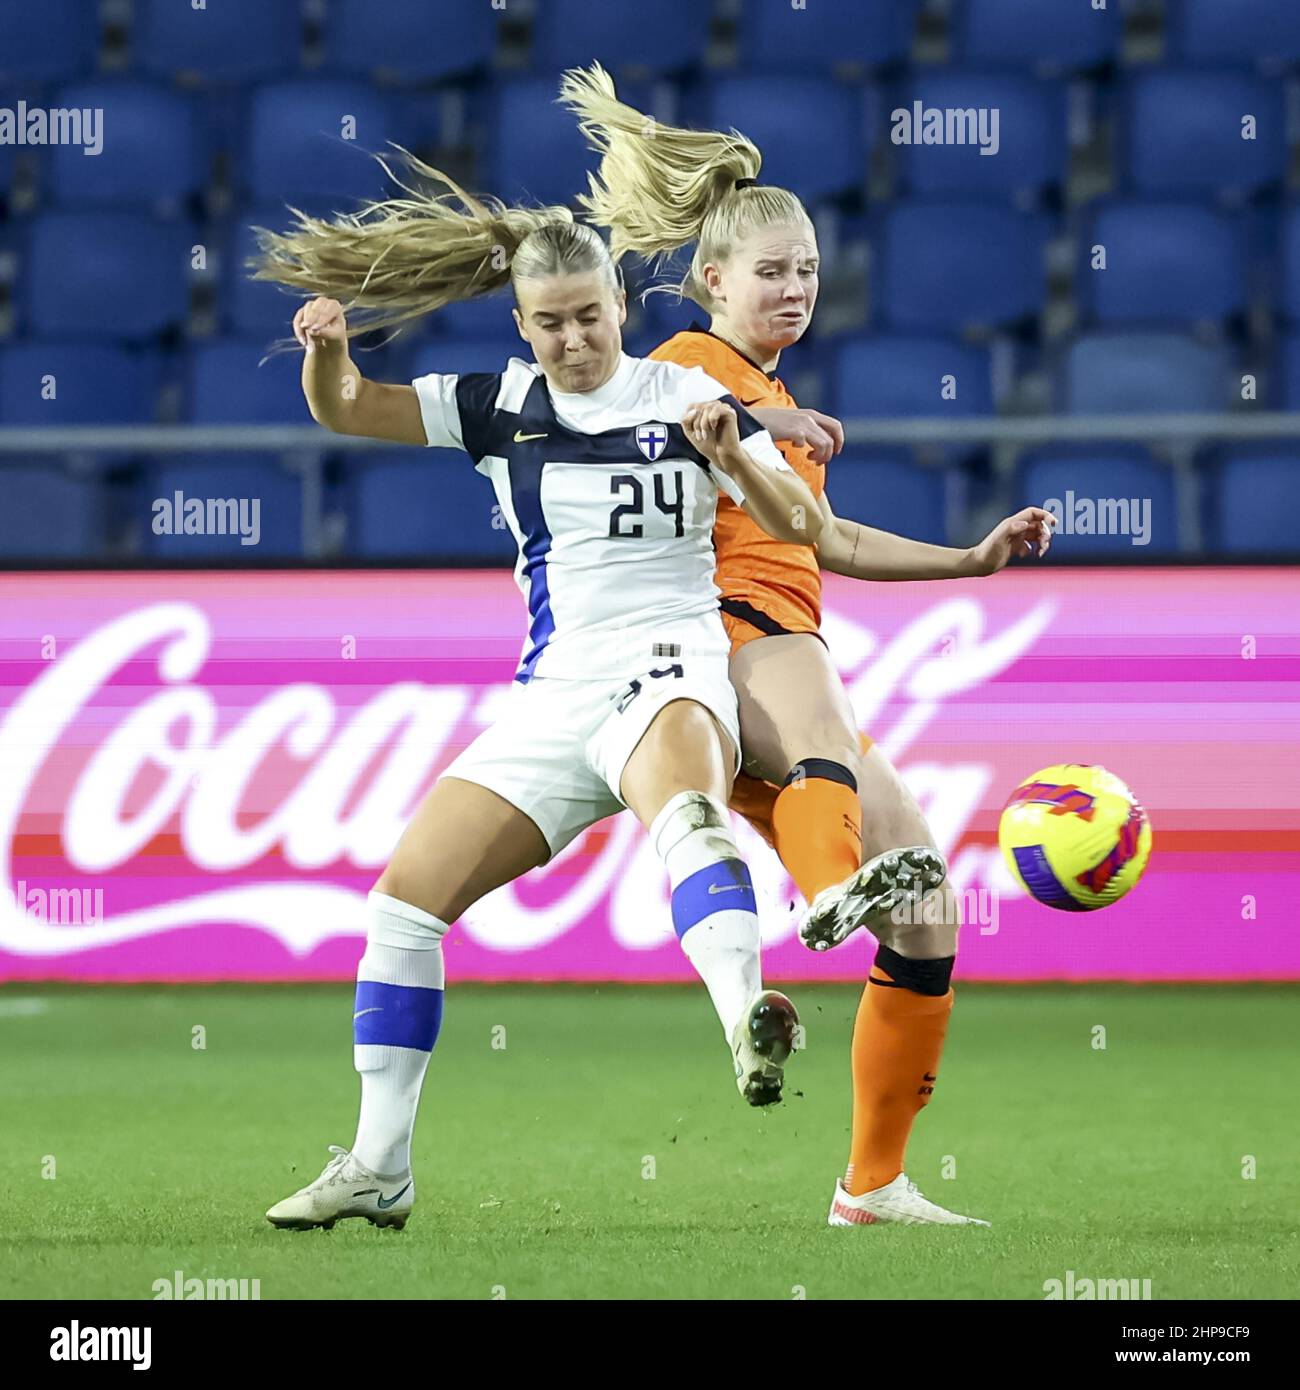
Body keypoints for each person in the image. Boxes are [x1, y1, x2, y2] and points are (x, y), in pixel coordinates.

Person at [251, 166, 824, 1231]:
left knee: (690, 816)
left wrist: (738, 456)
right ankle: (380, 1165)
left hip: (669, 669)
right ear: (523, 326)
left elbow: (795, 522)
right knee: (400, 909)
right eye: (551, 324)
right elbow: (347, 409)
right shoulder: (495, 407)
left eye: (591, 317)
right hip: (553, 698)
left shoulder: (684, 399)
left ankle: (749, 1017)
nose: (575, 340)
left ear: (620, 307)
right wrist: (327, 350)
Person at [557, 63, 1055, 1227]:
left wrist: (968, 560)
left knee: (926, 906)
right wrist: (760, 424)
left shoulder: (770, 392)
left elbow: (829, 537)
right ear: (712, 280)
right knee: (819, 717)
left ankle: (870, 1186)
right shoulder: (684, 364)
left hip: (778, 632)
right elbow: (645, 411)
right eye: (771, 272)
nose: (794, 289)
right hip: (713, 635)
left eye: (809, 271)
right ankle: (827, 888)